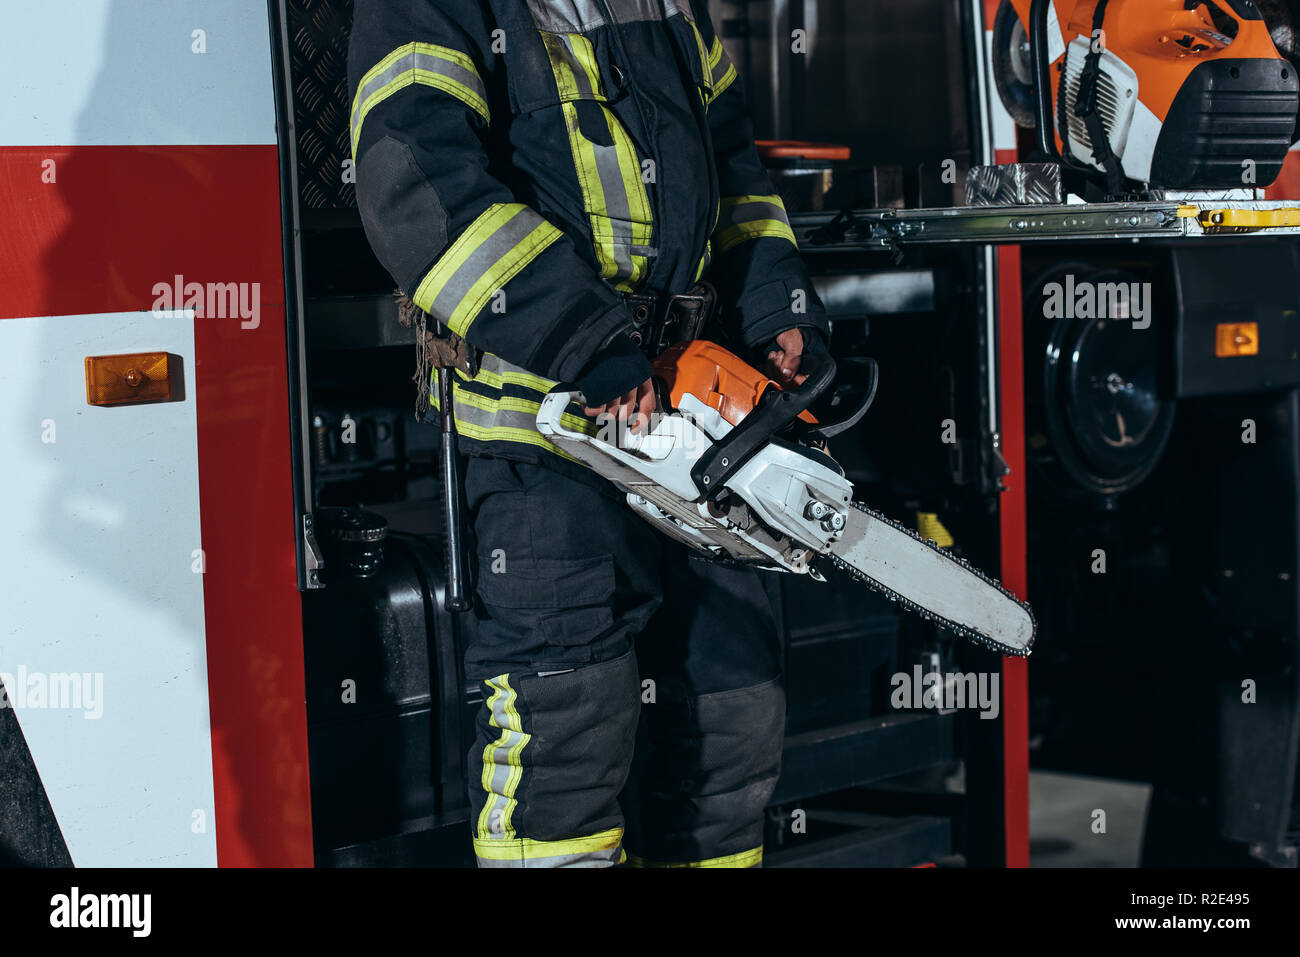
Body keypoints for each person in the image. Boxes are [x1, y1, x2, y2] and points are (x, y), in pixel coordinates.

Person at [349, 0, 830, 867]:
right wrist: (586, 341)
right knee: (567, 724)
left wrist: (776, 304)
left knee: (731, 717)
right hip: (546, 434)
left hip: (697, 428)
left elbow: (733, 165)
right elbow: (415, 181)